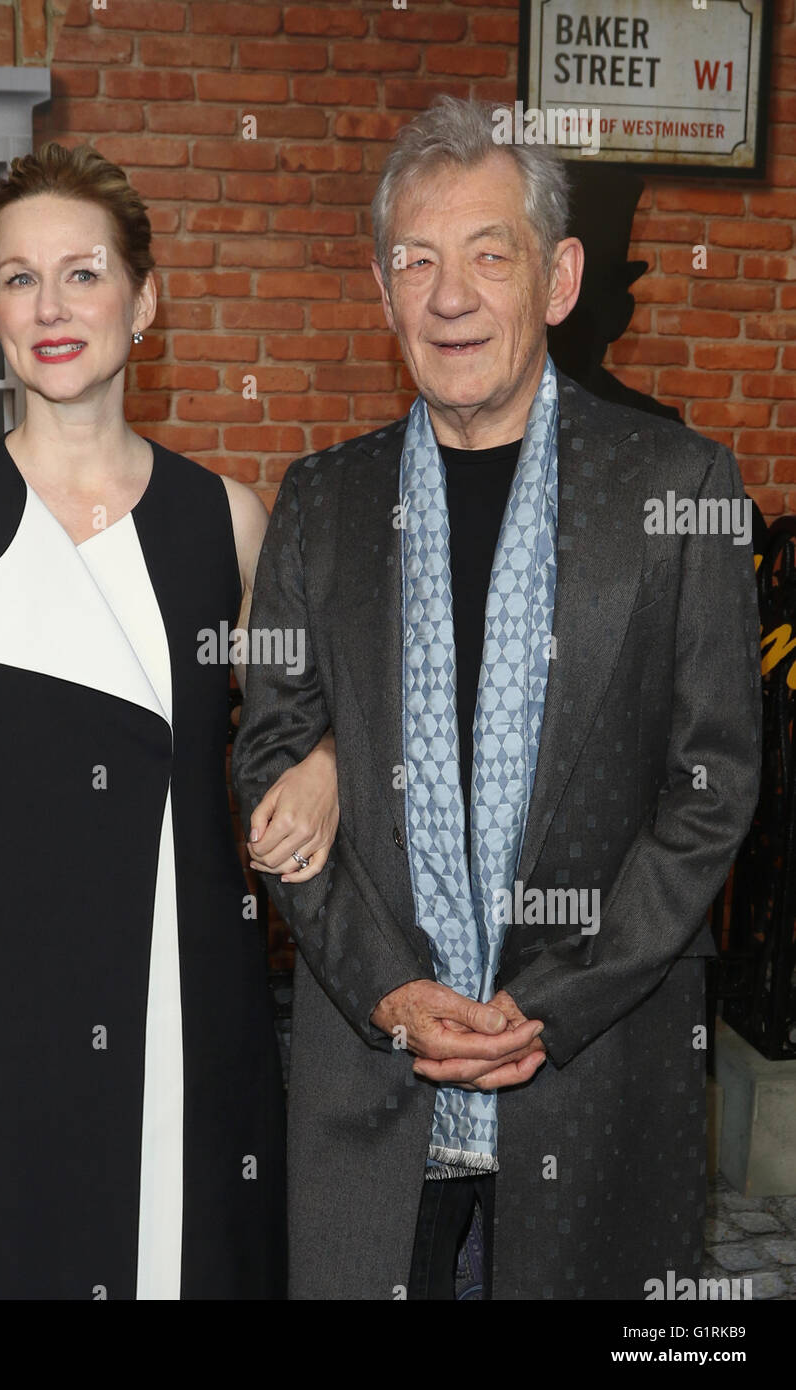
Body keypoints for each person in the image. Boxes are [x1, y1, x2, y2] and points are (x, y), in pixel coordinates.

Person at [232, 95, 762, 1301]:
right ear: (383, 290)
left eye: (488, 253)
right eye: (415, 259)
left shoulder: (677, 490)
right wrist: (388, 989)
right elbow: (269, 757)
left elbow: (712, 785)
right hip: (373, 1093)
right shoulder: (320, 502)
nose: (450, 294)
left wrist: (547, 1005)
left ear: (558, 277)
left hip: (592, 1073)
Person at [0, 141, 339, 1300]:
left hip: (183, 997)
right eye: (20, 278)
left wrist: (323, 762)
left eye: (82, 272)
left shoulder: (228, 520)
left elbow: (300, 724)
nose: (51, 306)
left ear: (143, 298)